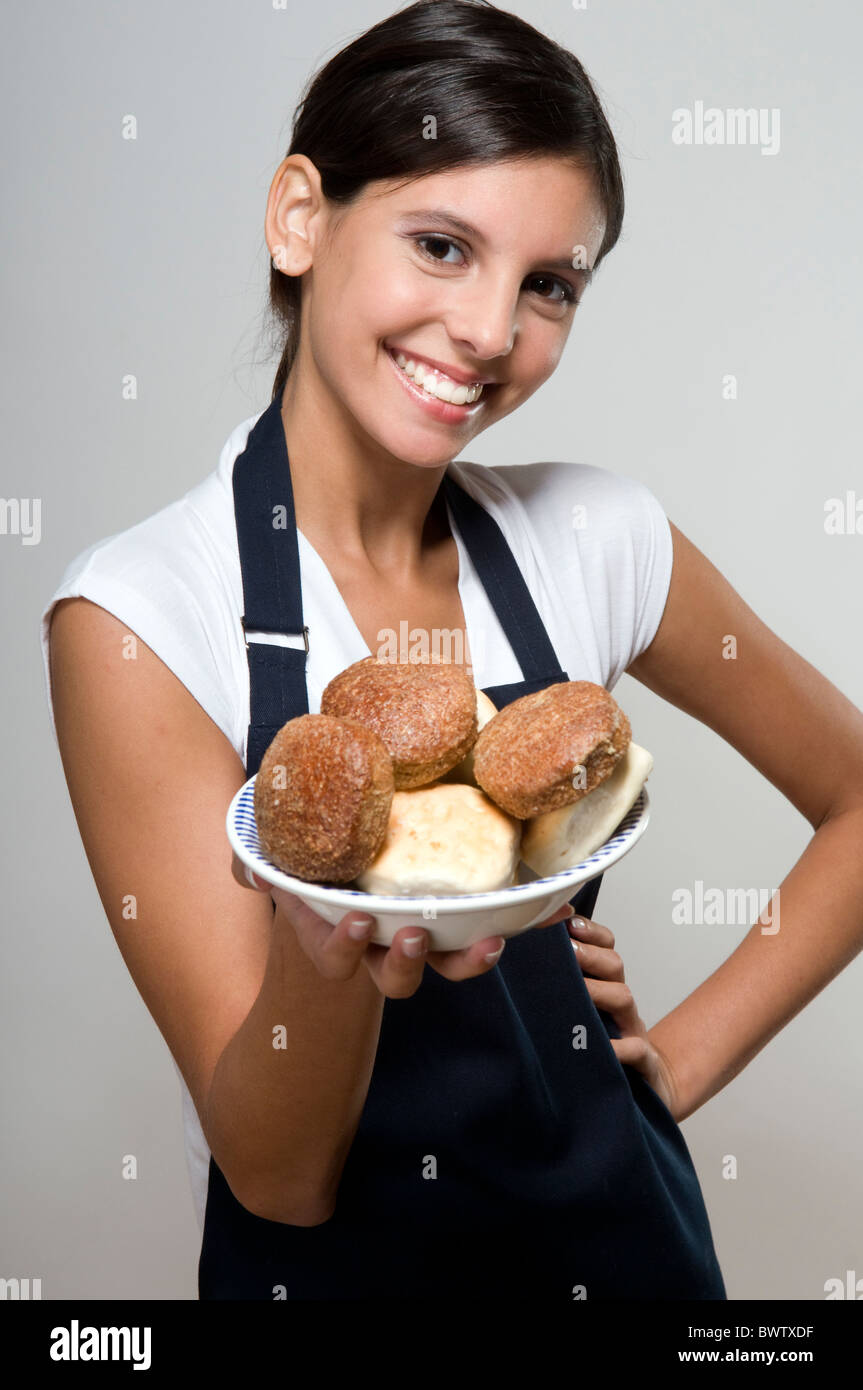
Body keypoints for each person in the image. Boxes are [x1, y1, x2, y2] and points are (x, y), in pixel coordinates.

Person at [40, 0, 863, 1301]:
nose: (489, 332)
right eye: (441, 244)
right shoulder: (141, 616)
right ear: (300, 216)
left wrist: (683, 1060)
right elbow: (278, 1171)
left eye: (548, 284)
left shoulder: (594, 537)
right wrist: (330, 948)